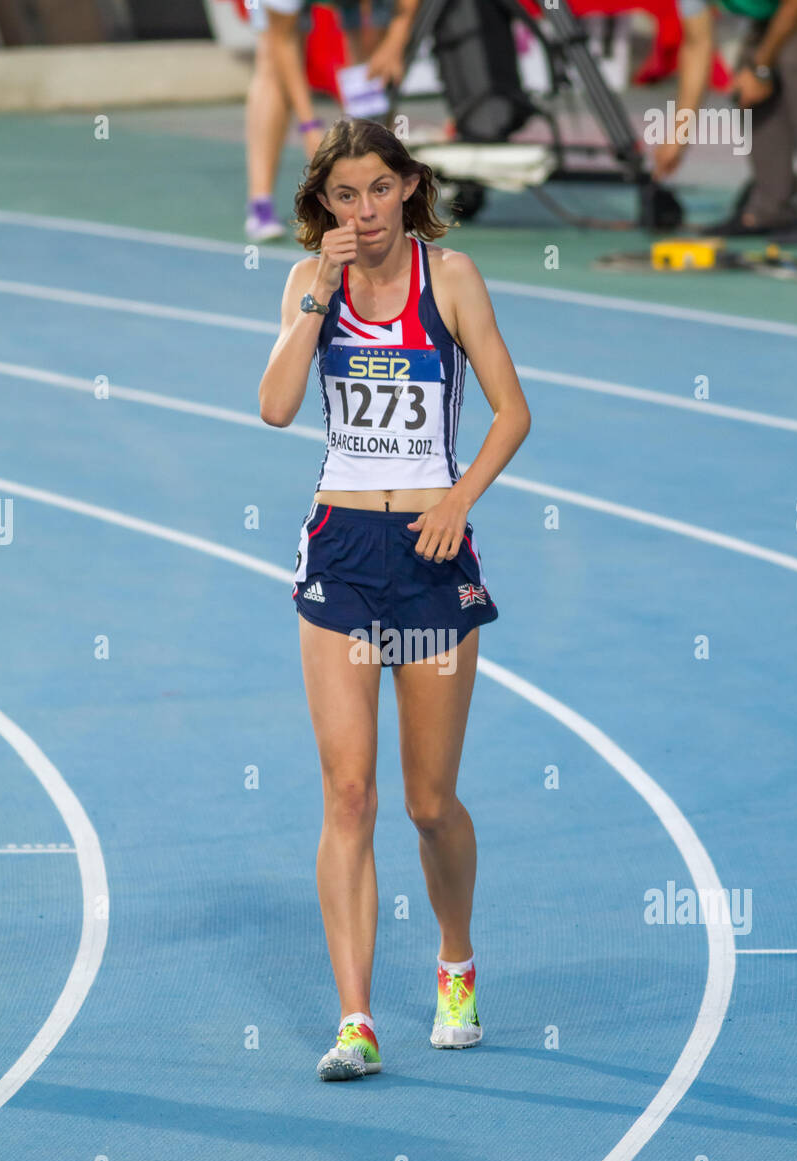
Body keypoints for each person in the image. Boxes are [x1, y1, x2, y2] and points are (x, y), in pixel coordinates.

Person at [259, 118, 531, 1080]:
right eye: (345, 196)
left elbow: (513, 410)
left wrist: (460, 499)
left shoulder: (448, 279)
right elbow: (276, 406)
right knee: (349, 794)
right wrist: (316, 301)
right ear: (322, 205)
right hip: (341, 550)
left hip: (430, 554)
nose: (364, 211)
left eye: (379, 189)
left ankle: (455, 960)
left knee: (425, 802)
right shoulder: (311, 285)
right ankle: (357, 1018)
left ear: (408, 187)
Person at [653, 0, 797, 238]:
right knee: (748, 78)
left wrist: (762, 69)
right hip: (777, 10)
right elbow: (698, 44)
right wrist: (679, 133)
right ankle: (770, 209)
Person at [245, 0, 420, 241]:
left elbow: (404, 10)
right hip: (281, 19)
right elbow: (283, 40)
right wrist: (309, 127)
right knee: (271, 65)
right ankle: (261, 204)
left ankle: (376, 194)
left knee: (374, 58)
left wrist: (394, 42)